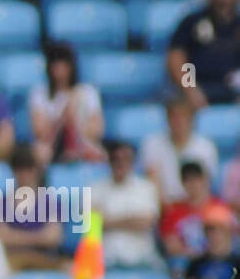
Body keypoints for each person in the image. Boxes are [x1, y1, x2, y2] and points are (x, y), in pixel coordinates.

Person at [167, 0, 240, 107]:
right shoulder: (191, 22)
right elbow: (176, 58)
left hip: (234, 91)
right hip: (198, 90)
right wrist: (190, 88)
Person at [28, 42, 105, 166]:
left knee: (101, 155)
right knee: (39, 153)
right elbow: (40, 131)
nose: (59, 70)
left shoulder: (87, 92)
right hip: (52, 143)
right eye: (55, 65)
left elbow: (97, 130)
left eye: (64, 65)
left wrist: (74, 124)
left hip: (81, 142)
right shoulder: (39, 94)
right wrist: (62, 119)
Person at [90, 140, 163, 269]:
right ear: (109, 161)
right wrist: (132, 220)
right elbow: (91, 225)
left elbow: (146, 222)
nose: (120, 164)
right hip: (107, 261)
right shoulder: (95, 189)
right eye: (116, 159)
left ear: (132, 162)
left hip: (142, 259)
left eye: (125, 160)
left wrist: (108, 221)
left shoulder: (146, 188)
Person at [140, 95, 220, 203]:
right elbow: (153, 182)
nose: (178, 122)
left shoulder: (206, 147)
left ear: (192, 119)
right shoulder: (152, 144)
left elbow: (205, 184)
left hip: (195, 205)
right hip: (165, 206)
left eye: (183, 116)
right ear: (167, 119)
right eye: (174, 117)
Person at [161, 160, 233, 257]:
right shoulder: (174, 211)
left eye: (196, 179)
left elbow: (227, 241)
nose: (193, 184)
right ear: (182, 183)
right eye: (188, 180)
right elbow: (172, 246)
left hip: (215, 258)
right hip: (186, 262)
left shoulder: (219, 207)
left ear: (205, 180)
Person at [183, 205, 240, 279]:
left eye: (220, 230)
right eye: (210, 230)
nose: (215, 235)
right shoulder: (196, 263)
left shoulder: (236, 263)